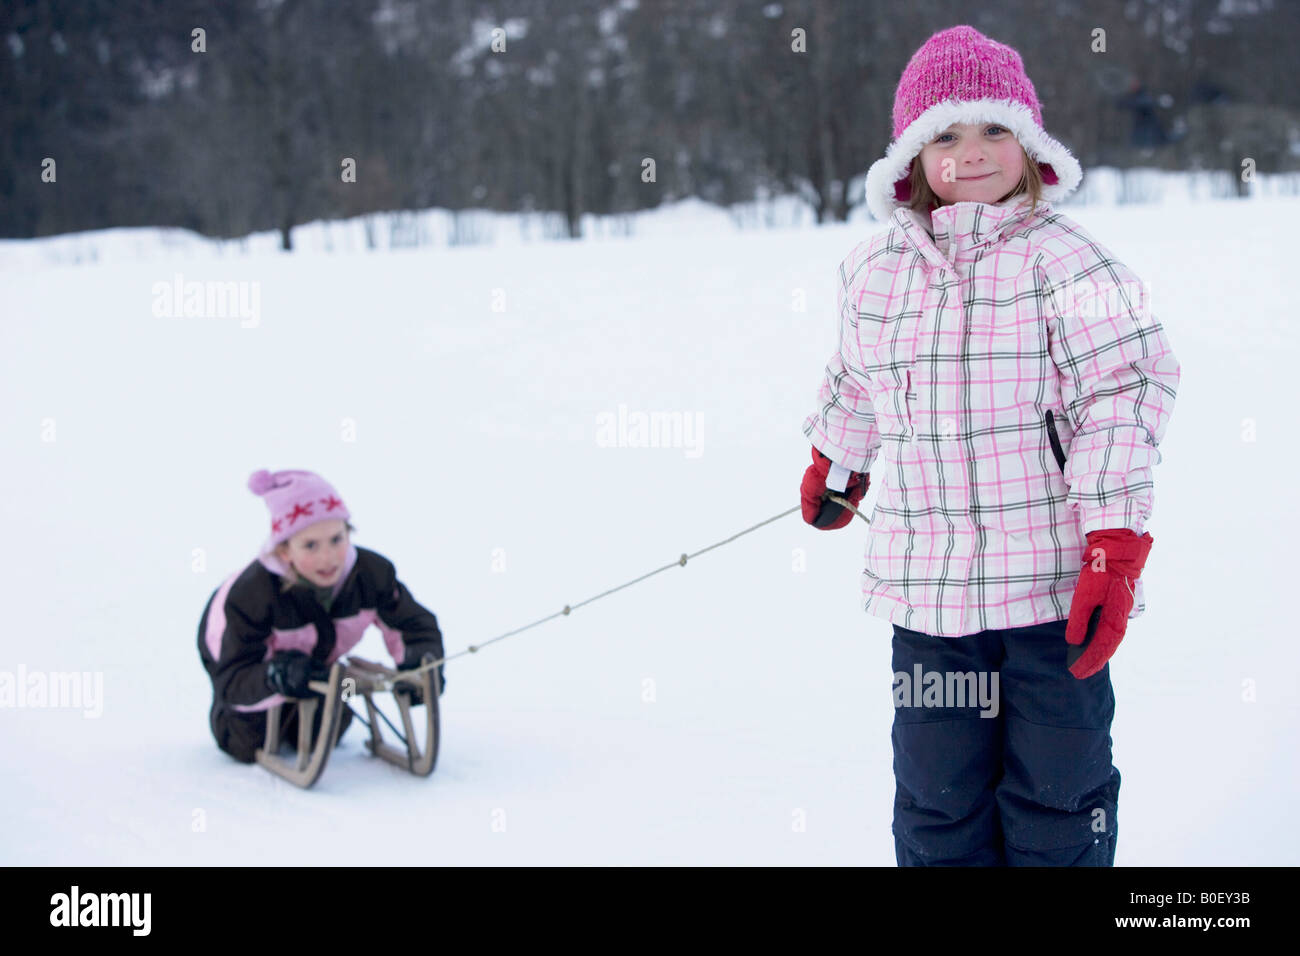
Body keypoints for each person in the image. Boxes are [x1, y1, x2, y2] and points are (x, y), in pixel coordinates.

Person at [800, 25, 1180, 866]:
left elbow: (1123, 396)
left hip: (1053, 601)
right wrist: (838, 457)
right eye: (946, 134)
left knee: (1058, 799)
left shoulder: (1071, 264)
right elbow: (857, 379)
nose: (971, 153)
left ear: (1031, 143)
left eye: (993, 129)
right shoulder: (873, 271)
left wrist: (1113, 548)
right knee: (937, 806)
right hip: (929, 605)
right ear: (910, 156)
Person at [197, 469, 446, 764]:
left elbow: (414, 625)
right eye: (310, 545)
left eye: (336, 539)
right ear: (285, 550)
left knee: (328, 726)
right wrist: (275, 675)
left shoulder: (370, 575)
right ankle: (259, 709)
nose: (328, 558)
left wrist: (417, 665)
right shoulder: (252, 596)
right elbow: (232, 678)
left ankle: (320, 697)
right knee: (245, 742)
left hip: (318, 667)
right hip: (244, 670)